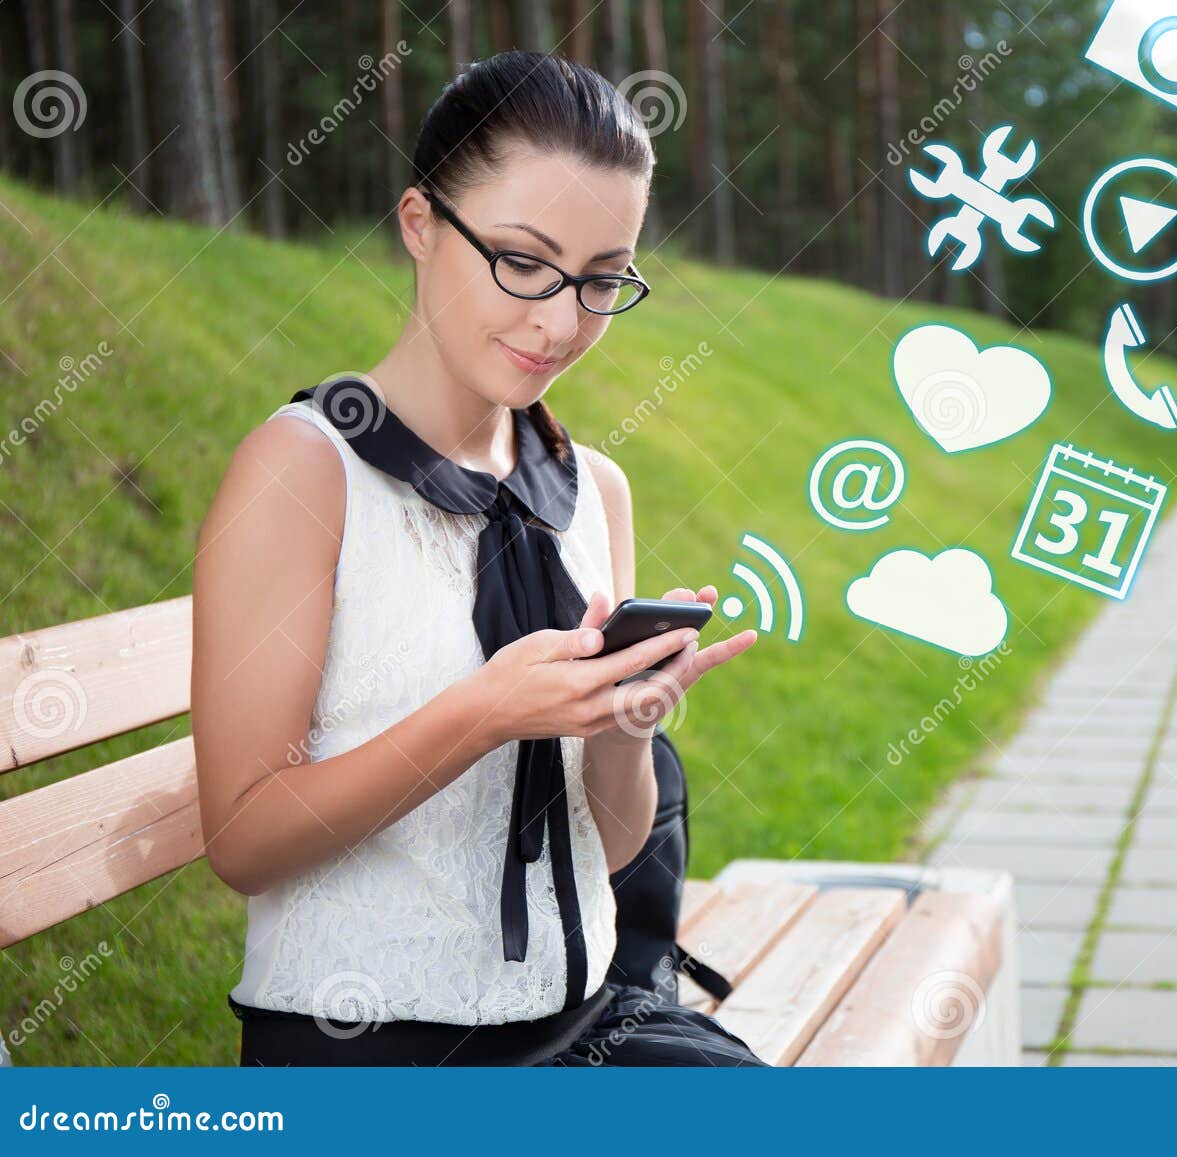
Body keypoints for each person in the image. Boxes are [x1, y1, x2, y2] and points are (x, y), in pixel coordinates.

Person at [191, 50, 764, 1067]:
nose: (560, 321)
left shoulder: (592, 488)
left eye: (602, 279)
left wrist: (624, 728)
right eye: (522, 262)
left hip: (585, 1020)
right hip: (375, 1045)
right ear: (419, 224)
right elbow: (242, 841)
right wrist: (483, 714)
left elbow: (614, 846)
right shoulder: (306, 472)